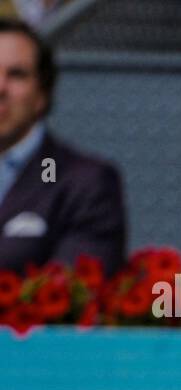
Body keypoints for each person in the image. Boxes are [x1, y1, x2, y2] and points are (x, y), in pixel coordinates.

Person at [0, 17, 126, 277]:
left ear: (42, 96)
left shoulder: (86, 184)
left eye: (17, 75)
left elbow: (73, 296)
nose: (0, 87)